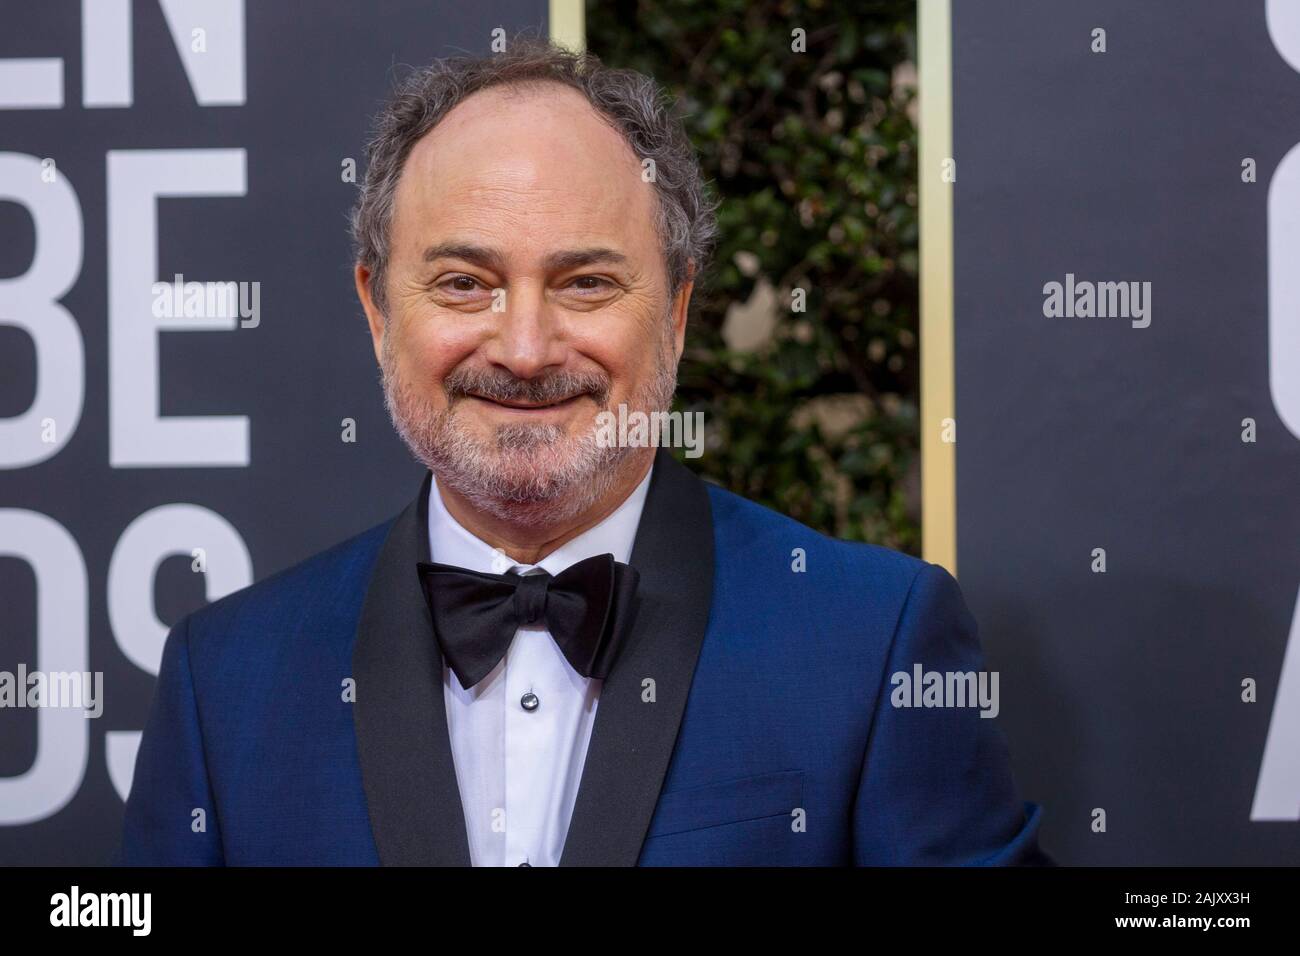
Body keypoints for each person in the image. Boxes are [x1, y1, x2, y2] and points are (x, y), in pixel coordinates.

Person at [114, 39, 1047, 866]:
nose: (524, 349)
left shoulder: (874, 643)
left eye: (588, 282)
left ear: (676, 314)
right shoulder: (224, 683)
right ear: (377, 311)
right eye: (464, 282)